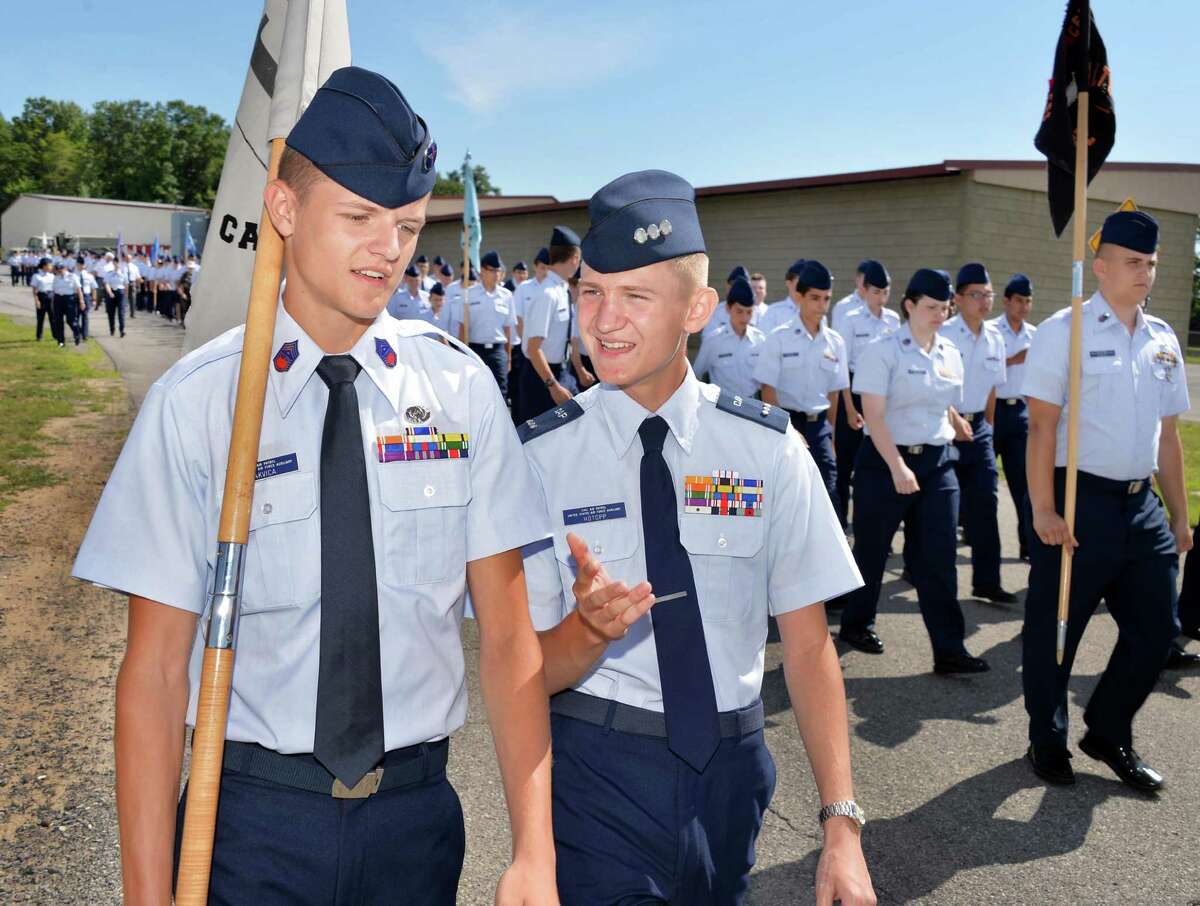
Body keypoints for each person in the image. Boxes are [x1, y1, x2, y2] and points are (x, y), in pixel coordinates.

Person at [71, 66, 558, 904]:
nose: (389, 250)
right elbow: (152, 676)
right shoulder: (201, 405)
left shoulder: (459, 391)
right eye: (361, 218)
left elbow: (511, 642)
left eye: (406, 225)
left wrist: (534, 850)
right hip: (251, 827)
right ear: (285, 210)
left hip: (414, 825)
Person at [520, 168, 875, 906]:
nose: (604, 320)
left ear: (698, 308)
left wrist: (842, 826)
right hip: (598, 768)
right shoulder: (541, 459)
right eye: (590, 291)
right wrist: (585, 632)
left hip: (732, 772)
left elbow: (807, 647)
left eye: (636, 296)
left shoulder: (767, 450)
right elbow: (519, 673)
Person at [1021, 210, 1190, 792]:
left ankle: (1108, 730)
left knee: (1156, 627)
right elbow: (1041, 430)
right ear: (1100, 267)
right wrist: (1043, 510)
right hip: (1079, 500)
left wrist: (1180, 517)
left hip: (1141, 508)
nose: (1145, 273)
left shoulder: (1163, 338)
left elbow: (1167, 438)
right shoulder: (1063, 332)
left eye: (1151, 264)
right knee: (1056, 629)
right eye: (1133, 262)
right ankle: (1047, 738)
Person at [837, 268, 988, 674]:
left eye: (945, 308)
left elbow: (939, 397)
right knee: (872, 550)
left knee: (939, 558)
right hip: (885, 462)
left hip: (937, 465)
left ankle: (949, 649)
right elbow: (875, 415)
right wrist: (898, 466)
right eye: (931, 307)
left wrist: (954, 419)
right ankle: (855, 623)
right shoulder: (883, 351)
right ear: (909, 306)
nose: (940, 314)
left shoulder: (949, 352)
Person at [941, 263, 1016, 603]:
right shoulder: (943, 334)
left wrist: (989, 425)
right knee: (941, 509)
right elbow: (934, 387)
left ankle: (987, 582)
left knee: (986, 504)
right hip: (944, 427)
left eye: (988, 294)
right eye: (976, 295)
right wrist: (953, 420)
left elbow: (991, 389)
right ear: (958, 298)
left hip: (980, 431)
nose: (985, 301)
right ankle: (924, 569)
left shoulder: (996, 338)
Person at [753, 260, 848, 520]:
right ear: (799, 297)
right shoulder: (778, 338)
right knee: (787, 492)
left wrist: (832, 437)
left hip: (819, 428)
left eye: (826, 299)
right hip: (787, 423)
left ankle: (832, 554)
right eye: (815, 298)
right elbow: (768, 390)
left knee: (829, 488)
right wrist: (783, 432)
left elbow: (834, 394)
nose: (821, 305)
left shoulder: (835, 343)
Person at [830, 260, 895, 528]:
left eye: (885, 292)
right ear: (864, 290)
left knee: (879, 459)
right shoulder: (850, 318)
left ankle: (874, 523)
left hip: (881, 393)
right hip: (853, 393)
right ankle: (841, 522)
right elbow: (841, 365)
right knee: (845, 462)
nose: (880, 297)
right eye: (876, 292)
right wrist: (849, 407)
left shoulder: (892, 319)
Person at [989, 273, 1036, 560]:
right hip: (992, 410)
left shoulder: (1035, 334)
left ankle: (1028, 544)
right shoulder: (992, 331)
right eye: (1019, 300)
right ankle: (971, 528)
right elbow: (986, 369)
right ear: (1006, 301)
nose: (1023, 307)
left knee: (1023, 483)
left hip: (1020, 411)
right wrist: (1014, 359)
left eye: (1028, 301)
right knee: (983, 483)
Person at [521, 226, 579, 419]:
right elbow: (533, 348)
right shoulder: (547, 295)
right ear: (574, 259)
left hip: (561, 372)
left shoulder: (562, 290)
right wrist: (553, 386)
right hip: (542, 378)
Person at [691, 276, 765, 400]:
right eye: (739, 311)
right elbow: (695, 376)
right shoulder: (713, 340)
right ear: (729, 309)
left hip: (753, 405)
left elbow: (765, 378)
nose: (745, 318)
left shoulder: (759, 339)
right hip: (722, 407)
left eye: (749, 312)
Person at [461, 249, 516, 396]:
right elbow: (463, 326)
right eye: (492, 270)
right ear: (483, 271)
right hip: (474, 349)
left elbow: (508, 328)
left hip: (498, 351)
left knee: (500, 392)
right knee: (474, 392)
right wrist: (463, 352)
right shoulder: (469, 294)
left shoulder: (507, 296)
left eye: (499, 270)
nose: (497, 274)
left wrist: (508, 357)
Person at [757, 258, 807, 334]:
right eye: (800, 282)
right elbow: (763, 342)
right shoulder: (774, 312)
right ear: (788, 283)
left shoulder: (816, 313)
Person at [51, 260, 84, 347]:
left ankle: (77, 334)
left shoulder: (72, 276)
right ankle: (61, 342)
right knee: (58, 321)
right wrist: (53, 303)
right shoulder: (56, 277)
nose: (59, 271)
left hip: (69, 299)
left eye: (61, 269)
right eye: (58, 269)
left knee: (71, 320)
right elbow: (54, 291)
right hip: (58, 299)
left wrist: (81, 301)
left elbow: (79, 290)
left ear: (65, 268)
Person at [103, 256, 132, 337]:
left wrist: (126, 297)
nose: (117, 264)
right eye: (115, 262)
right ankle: (112, 329)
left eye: (118, 262)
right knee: (111, 313)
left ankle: (122, 330)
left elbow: (126, 285)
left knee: (121, 313)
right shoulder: (109, 273)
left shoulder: (123, 274)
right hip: (111, 293)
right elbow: (107, 284)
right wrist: (109, 292)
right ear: (113, 263)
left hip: (121, 293)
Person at [31, 257, 55, 341]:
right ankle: (39, 336)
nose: (51, 267)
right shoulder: (36, 276)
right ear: (44, 266)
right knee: (40, 318)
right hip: (41, 297)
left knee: (53, 318)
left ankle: (55, 335)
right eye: (49, 265)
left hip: (51, 297)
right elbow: (34, 290)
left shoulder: (51, 275)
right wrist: (36, 300)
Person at [77, 257, 97, 341]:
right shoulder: (74, 275)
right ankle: (79, 332)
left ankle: (85, 335)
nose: (80, 266)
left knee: (84, 316)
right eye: (79, 264)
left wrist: (94, 299)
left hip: (86, 296)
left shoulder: (89, 276)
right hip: (76, 296)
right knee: (75, 316)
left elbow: (93, 288)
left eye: (81, 264)